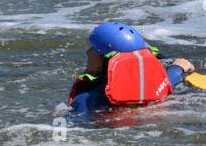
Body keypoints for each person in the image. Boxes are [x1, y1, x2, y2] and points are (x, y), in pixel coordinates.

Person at [67, 22, 195, 115]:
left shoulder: (86, 100)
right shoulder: (155, 88)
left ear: (104, 59)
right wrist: (178, 67)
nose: (88, 52)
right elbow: (167, 82)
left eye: (94, 48)